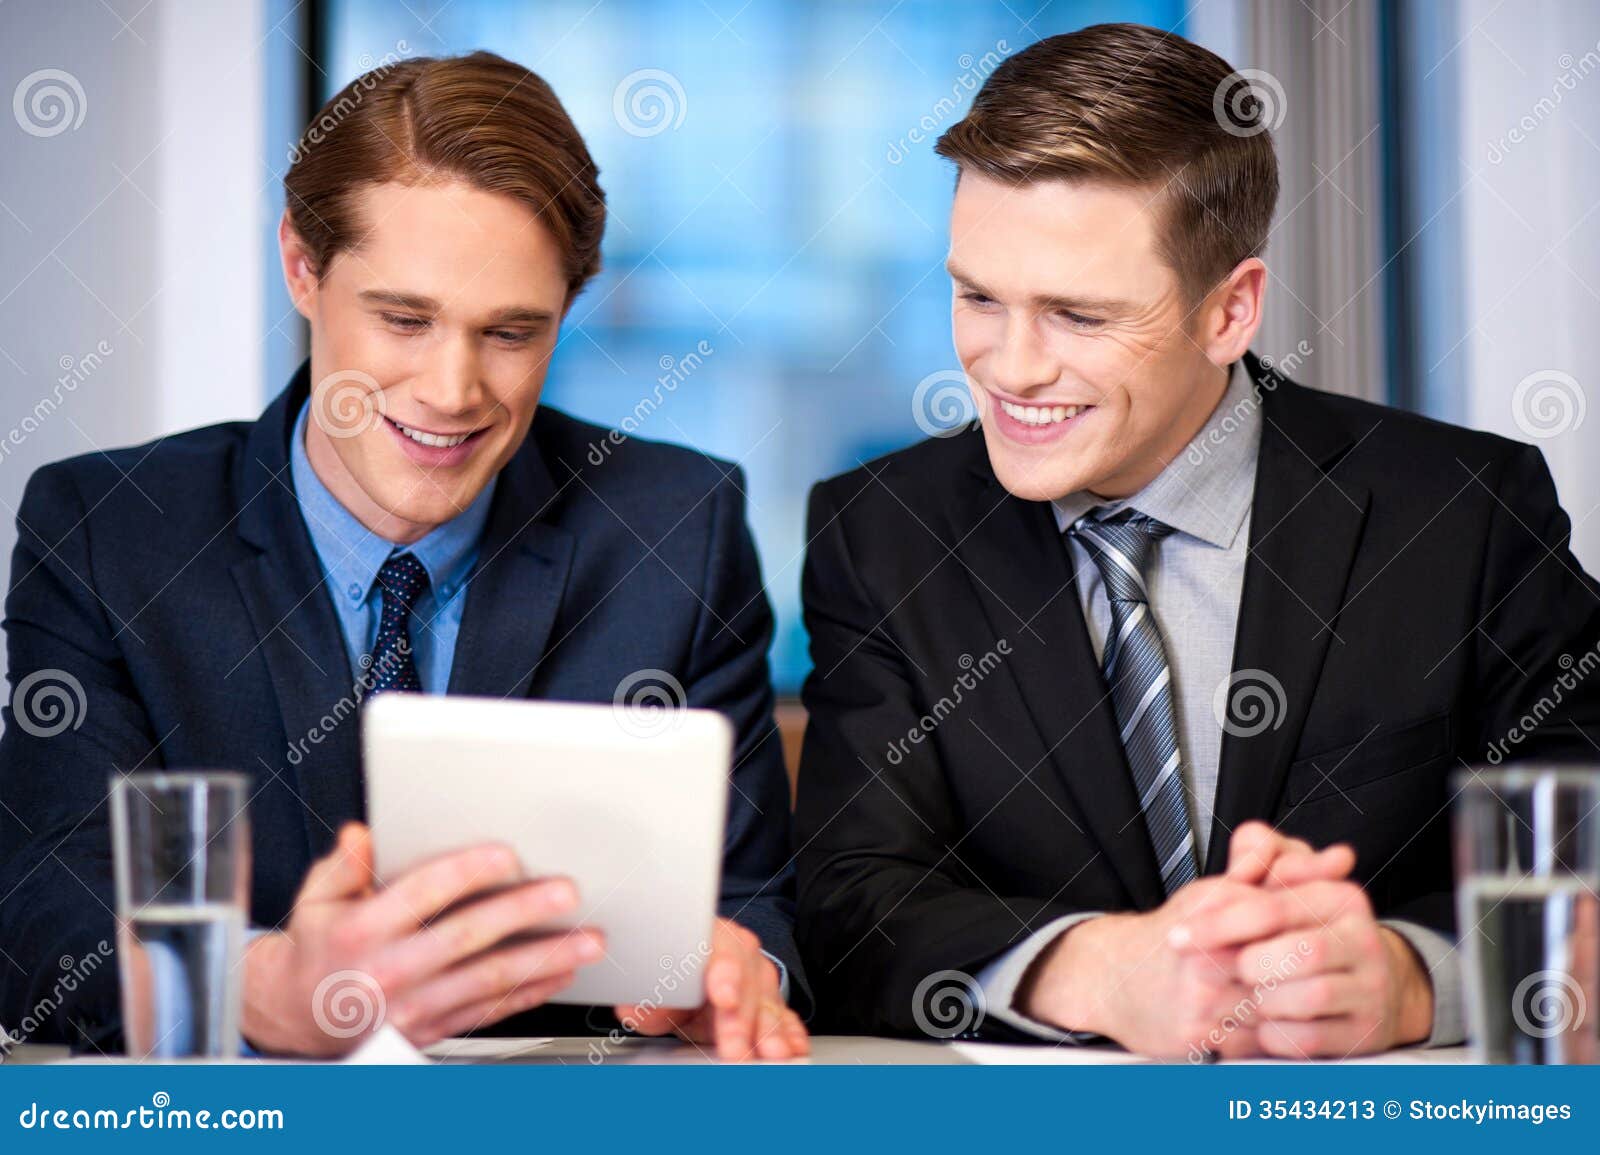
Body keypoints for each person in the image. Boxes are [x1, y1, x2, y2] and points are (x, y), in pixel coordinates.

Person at [793, 23, 1600, 1057]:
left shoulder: (1459, 510)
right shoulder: (883, 534)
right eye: (977, 297)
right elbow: (849, 901)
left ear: (1229, 311)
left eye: (1077, 315)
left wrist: (1411, 980)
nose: (1009, 366)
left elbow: (1576, 831)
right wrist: (1100, 972)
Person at [0, 51, 808, 1061]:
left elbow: (751, 906)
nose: (453, 390)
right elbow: (44, 911)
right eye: (404, 319)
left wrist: (724, 978)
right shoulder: (108, 527)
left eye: (511, 332)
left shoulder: (675, 524)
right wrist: (261, 988)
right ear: (302, 265)